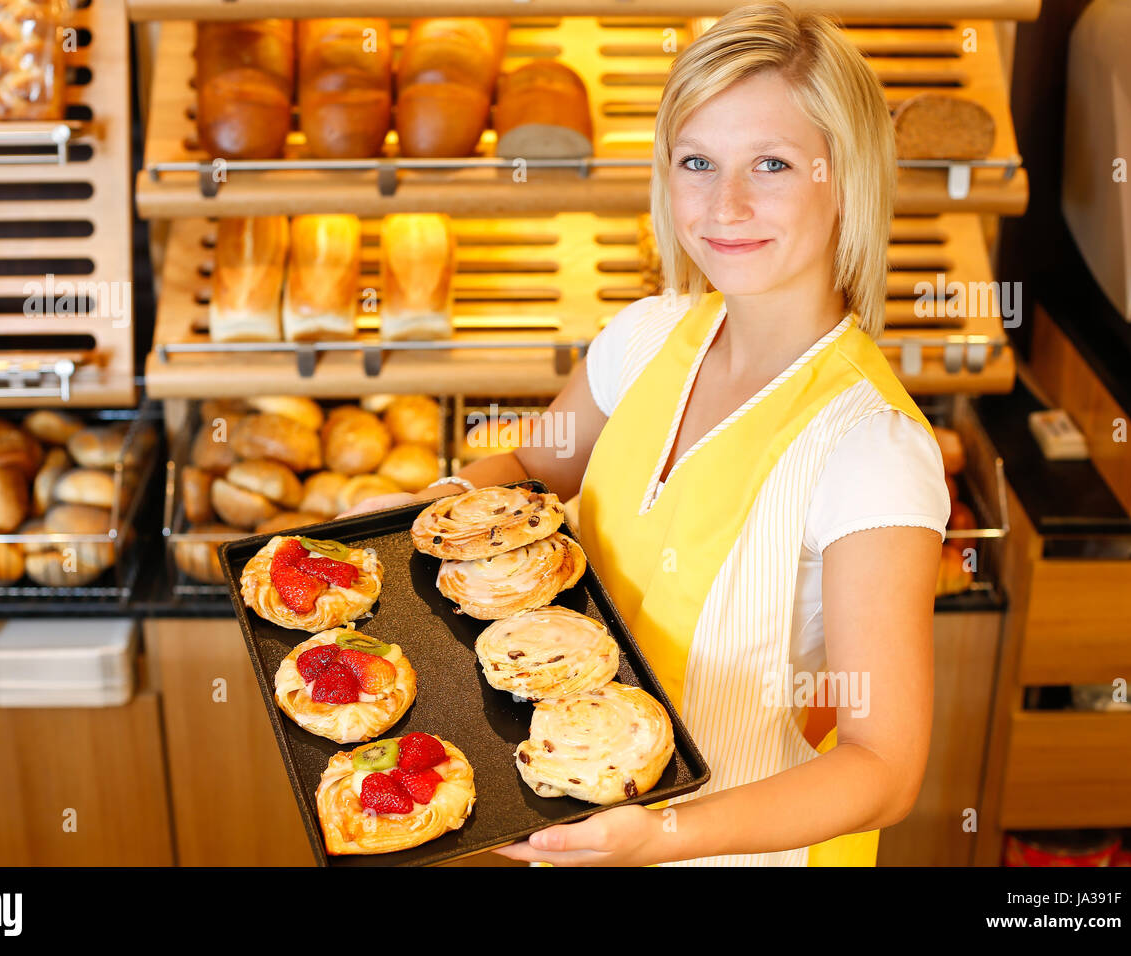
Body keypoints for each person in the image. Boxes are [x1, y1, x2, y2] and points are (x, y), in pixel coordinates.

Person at [340, 1, 949, 866]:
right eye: (698, 161)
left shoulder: (873, 449)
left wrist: (661, 832)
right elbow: (523, 469)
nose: (726, 204)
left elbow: (883, 767)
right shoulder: (649, 335)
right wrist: (440, 505)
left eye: (771, 164)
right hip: (574, 794)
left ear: (844, 177)